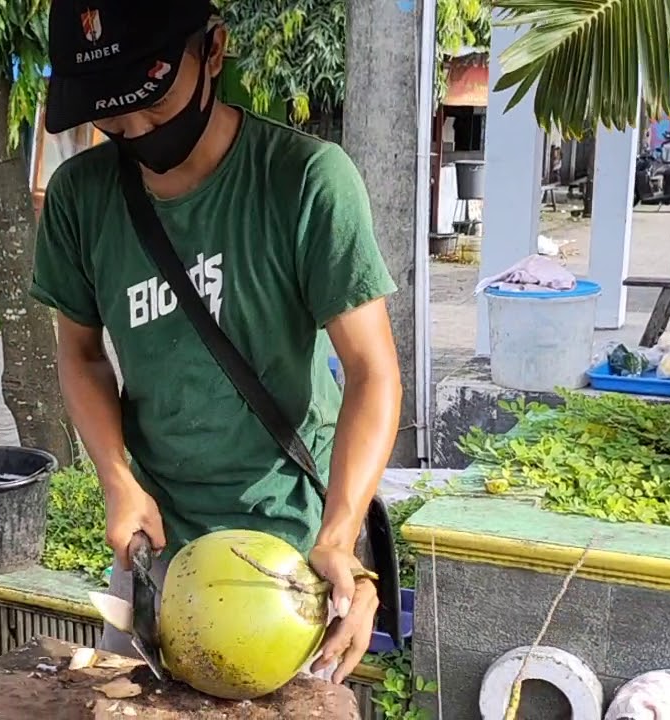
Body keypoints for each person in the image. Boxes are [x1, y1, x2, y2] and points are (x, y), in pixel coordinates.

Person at [30, 0, 403, 685]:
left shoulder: (306, 182)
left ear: (215, 49)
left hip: (287, 555)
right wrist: (117, 481)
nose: (137, 132)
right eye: (112, 117)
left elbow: (372, 371)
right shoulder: (79, 199)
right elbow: (81, 354)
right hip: (155, 547)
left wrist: (340, 537)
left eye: (154, 103)